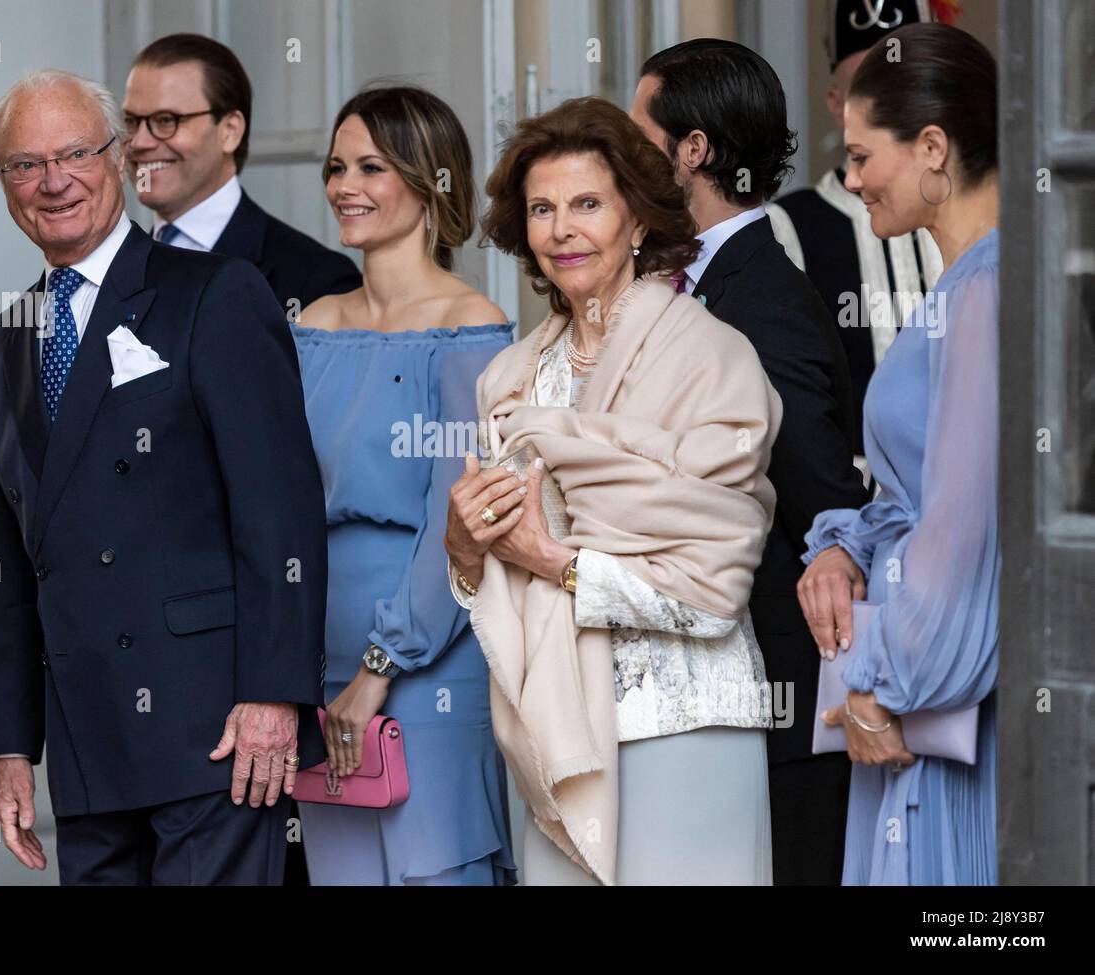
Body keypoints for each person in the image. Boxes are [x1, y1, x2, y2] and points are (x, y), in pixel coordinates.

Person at [0, 69, 328, 884]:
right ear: (4, 185)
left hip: (216, 736)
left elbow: (280, 510)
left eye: (73, 154)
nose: (52, 181)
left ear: (118, 159)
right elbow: (6, 570)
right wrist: (11, 746)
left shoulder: (216, 293)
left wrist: (276, 694)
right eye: (24, 165)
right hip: (89, 746)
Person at [446, 96, 782, 885]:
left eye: (587, 204)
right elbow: (494, 581)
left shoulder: (715, 358)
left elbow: (714, 583)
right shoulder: (509, 380)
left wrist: (556, 559)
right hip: (554, 731)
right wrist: (465, 547)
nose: (562, 229)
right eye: (542, 209)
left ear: (637, 220)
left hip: (684, 716)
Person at [632, 39, 871, 885]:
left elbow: (824, 503)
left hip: (775, 682)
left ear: (690, 150)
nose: (628, 159)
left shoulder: (761, 301)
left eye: (639, 135)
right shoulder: (685, 281)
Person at [292, 85, 517, 886]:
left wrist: (379, 669)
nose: (344, 185)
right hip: (317, 660)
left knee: (434, 872)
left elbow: (457, 527)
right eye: (336, 167)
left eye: (371, 167)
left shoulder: (471, 327)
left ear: (429, 182)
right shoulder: (310, 327)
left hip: (428, 664)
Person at [797, 22, 999, 885]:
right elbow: (919, 495)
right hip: (921, 703)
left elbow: (964, 532)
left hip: (938, 715)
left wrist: (884, 685)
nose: (848, 181)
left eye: (859, 155)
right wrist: (844, 543)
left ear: (932, 148)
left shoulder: (986, 290)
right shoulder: (967, 284)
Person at [766, 0, 955, 470]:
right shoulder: (789, 227)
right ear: (836, 103)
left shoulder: (987, 221)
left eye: (904, 90)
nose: (888, 114)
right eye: (865, 92)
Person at [123, 33, 361, 315]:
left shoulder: (316, 280)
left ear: (230, 131)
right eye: (130, 121)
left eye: (166, 121)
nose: (139, 142)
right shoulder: (117, 265)